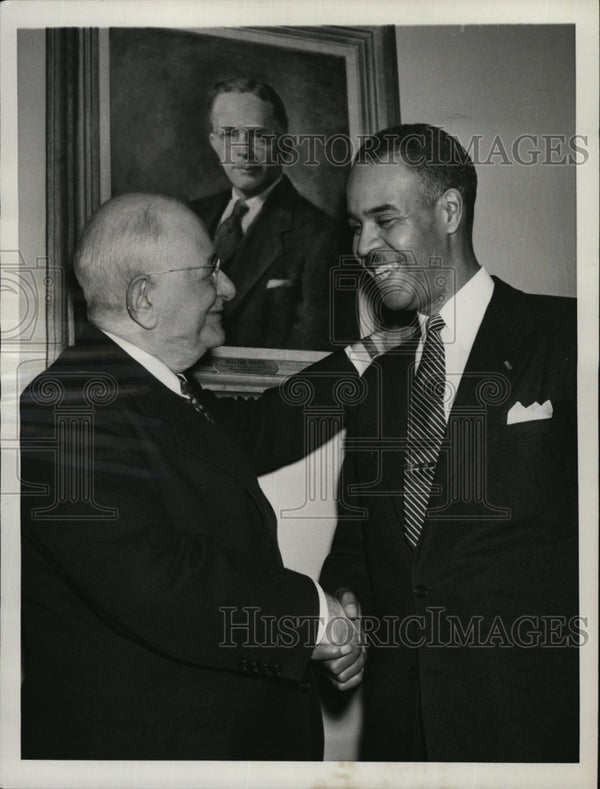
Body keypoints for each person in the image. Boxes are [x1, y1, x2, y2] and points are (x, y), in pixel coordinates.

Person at [20, 193, 373, 761]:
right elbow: (157, 582)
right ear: (145, 298)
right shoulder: (67, 407)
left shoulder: (143, 388)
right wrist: (315, 618)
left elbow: (254, 432)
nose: (229, 287)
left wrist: (367, 356)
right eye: (211, 269)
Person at [320, 124, 578, 762]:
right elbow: (358, 548)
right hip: (402, 733)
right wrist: (345, 604)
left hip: (538, 732)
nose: (365, 246)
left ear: (450, 211)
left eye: (385, 220)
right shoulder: (374, 384)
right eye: (357, 226)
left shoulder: (571, 337)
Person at [190, 78, 357, 350]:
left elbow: (316, 359)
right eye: (230, 134)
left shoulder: (321, 237)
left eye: (259, 135)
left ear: (285, 145)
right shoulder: (192, 216)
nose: (243, 150)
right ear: (214, 143)